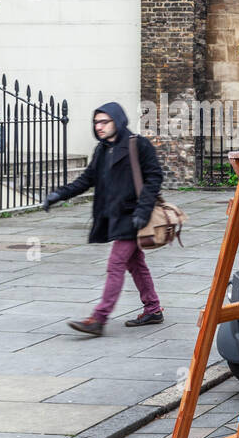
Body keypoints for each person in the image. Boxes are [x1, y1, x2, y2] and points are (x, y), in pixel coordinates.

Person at [43, 102, 165, 336]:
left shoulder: (138, 145)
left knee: (115, 264)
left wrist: (143, 211)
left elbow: (154, 178)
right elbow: (86, 179)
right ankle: (153, 308)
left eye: (104, 122)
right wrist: (59, 194)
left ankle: (99, 318)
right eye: (96, 122)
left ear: (117, 120)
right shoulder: (102, 149)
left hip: (133, 216)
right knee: (135, 264)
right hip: (114, 217)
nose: (99, 126)